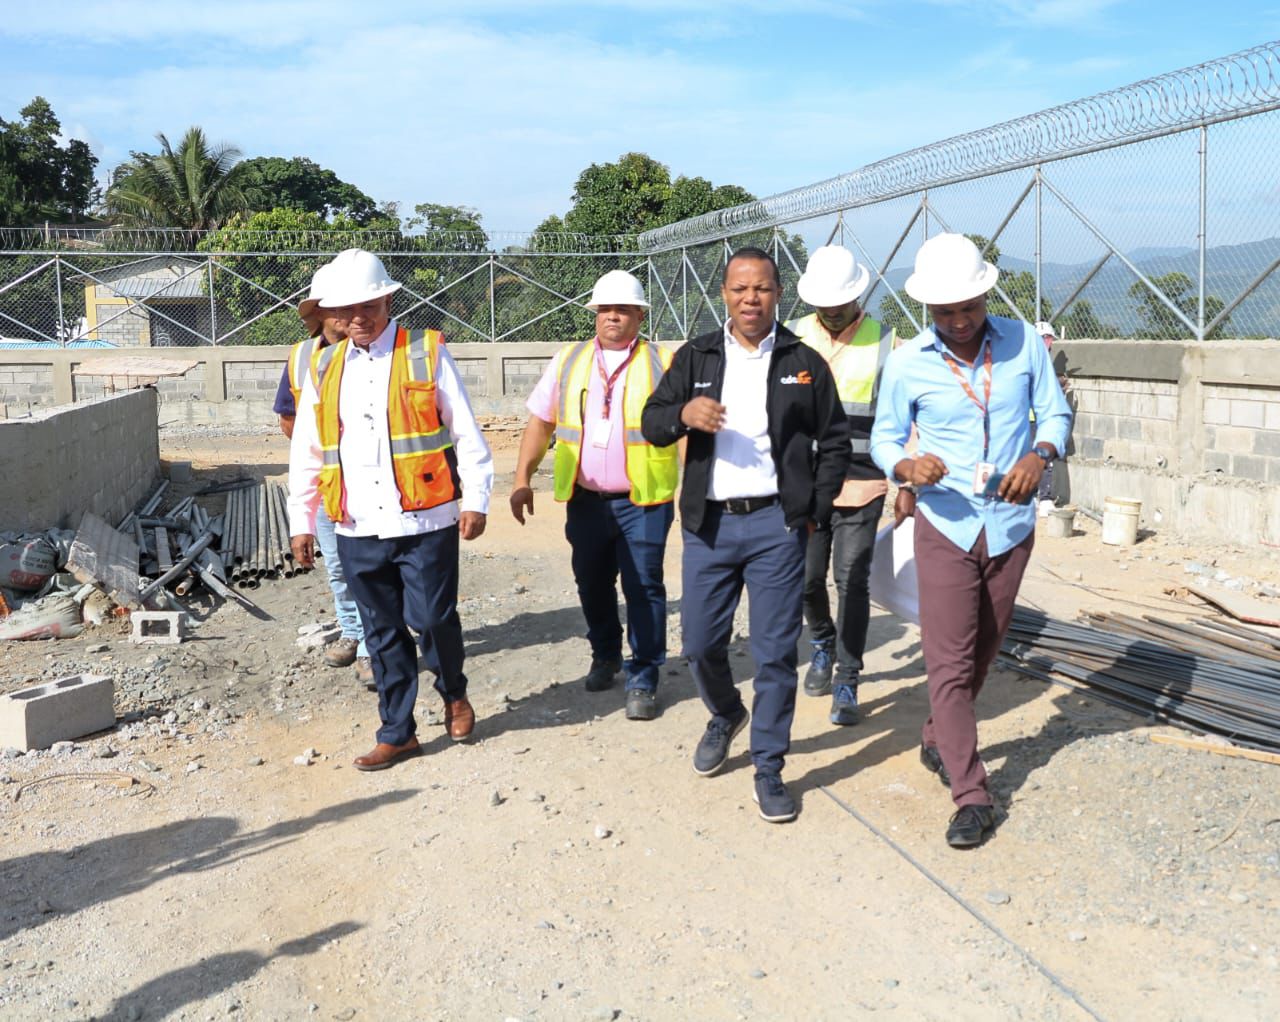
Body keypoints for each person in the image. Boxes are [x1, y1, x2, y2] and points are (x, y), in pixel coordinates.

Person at [870, 233, 1072, 848]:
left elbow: (1055, 414)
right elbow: (884, 437)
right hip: (946, 524)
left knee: (985, 647)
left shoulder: (1022, 345)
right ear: (927, 310)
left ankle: (938, 736)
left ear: (987, 293)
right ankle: (971, 791)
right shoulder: (909, 363)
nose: (959, 322)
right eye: (945, 312)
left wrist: (1040, 456)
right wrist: (906, 469)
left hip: (1010, 525)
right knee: (949, 659)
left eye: (969, 308)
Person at [642, 247, 850, 823]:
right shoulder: (697, 355)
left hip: (775, 526)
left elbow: (834, 440)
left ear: (778, 293)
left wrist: (815, 505)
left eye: (760, 288)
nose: (749, 299)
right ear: (724, 295)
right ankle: (725, 711)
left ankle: (769, 767)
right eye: (739, 289)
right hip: (709, 524)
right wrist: (684, 415)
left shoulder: (803, 361)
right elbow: (651, 422)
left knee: (775, 653)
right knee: (700, 645)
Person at [287, 249, 494, 771]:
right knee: (380, 632)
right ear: (333, 313)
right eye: (347, 308)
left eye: (368, 304)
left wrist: (477, 498)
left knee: (432, 618)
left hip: (426, 519)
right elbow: (308, 449)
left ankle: (454, 694)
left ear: (387, 298)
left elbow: (464, 429)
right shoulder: (326, 365)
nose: (359, 317)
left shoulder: (424, 351)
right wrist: (301, 521)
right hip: (356, 524)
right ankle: (398, 731)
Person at [509, 270, 679, 721]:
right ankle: (605, 654)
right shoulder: (570, 360)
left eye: (622, 310)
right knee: (591, 582)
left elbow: (687, 433)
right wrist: (522, 477)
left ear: (641, 315)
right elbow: (541, 422)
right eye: (605, 310)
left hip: (642, 500)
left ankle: (643, 674)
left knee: (643, 587)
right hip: (585, 499)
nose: (613, 317)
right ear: (595, 314)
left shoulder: (663, 364)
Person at [785, 245, 909, 725]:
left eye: (839, 303)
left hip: (861, 483)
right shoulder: (790, 338)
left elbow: (901, 420)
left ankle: (847, 677)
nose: (831, 312)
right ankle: (820, 642)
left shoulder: (886, 344)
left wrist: (902, 482)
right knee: (806, 578)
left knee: (851, 578)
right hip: (803, 485)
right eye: (823, 305)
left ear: (858, 294)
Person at [274, 262, 371, 689]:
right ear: (319, 314)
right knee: (336, 566)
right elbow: (289, 420)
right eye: (331, 308)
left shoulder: (371, 356)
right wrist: (321, 447)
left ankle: (372, 646)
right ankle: (352, 631)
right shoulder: (301, 358)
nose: (340, 316)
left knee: (367, 569)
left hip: (369, 482)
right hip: (325, 482)